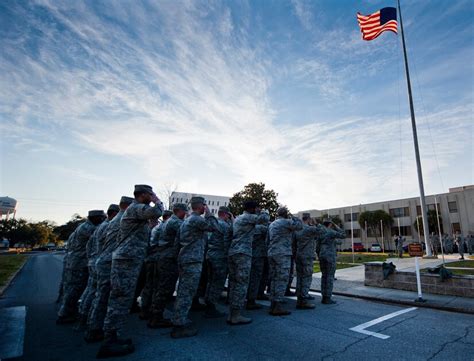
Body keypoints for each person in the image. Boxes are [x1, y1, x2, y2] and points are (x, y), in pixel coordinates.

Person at [97, 185, 163, 358]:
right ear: (142, 195)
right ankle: (109, 340)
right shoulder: (136, 208)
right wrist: (158, 201)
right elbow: (158, 212)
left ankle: (113, 336)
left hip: (128, 259)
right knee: (119, 299)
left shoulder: (135, 210)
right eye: (150, 194)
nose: (152, 196)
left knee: (122, 299)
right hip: (126, 260)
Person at [85, 197, 134, 343]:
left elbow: (90, 246)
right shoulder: (121, 221)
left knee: (99, 295)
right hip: (108, 263)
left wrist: (93, 258)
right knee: (108, 297)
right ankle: (104, 334)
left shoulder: (108, 223)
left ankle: (91, 326)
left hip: (100, 261)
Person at [170, 197, 218, 338]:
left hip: (185, 259)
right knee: (186, 293)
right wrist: (209, 213)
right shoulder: (196, 219)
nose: (205, 208)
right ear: (201, 206)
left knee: (184, 291)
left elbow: (176, 243)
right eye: (205, 206)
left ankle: (178, 320)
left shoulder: (186, 221)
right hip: (192, 261)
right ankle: (179, 326)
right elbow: (214, 227)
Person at [57, 210, 105, 324]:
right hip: (79, 261)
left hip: (75, 260)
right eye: (102, 218)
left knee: (72, 287)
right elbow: (101, 235)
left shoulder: (82, 226)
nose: (103, 219)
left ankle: (67, 310)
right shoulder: (88, 228)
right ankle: (64, 314)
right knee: (75, 288)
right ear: (95, 218)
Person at [76, 205, 119, 330]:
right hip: (102, 263)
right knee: (100, 294)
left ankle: (84, 317)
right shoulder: (108, 226)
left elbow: (88, 246)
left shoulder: (99, 227)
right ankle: (93, 325)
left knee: (91, 291)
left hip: (95, 261)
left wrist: (92, 258)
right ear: (114, 214)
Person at [147, 203, 187, 329]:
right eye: (185, 212)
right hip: (168, 259)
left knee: (161, 287)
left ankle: (154, 314)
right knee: (165, 288)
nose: (185, 214)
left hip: (164, 258)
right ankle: (156, 317)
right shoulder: (175, 222)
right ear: (179, 211)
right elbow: (188, 230)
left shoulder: (169, 221)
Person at [227, 201, 266, 325]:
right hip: (242, 253)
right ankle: (236, 315)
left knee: (234, 283)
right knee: (241, 283)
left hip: (234, 252)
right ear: (253, 208)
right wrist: (262, 211)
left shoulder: (240, 218)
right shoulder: (248, 217)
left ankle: (232, 313)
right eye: (257, 207)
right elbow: (264, 218)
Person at [267, 207, 303, 316]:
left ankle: (273, 304)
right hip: (282, 254)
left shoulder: (272, 224)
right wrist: (294, 217)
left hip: (272, 252)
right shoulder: (286, 222)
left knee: (274, 279)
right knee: (282, 279)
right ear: (285, 214)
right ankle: (277, 306)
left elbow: (267, 240)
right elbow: (299, 226)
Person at [139, 210, 172, 320]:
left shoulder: (156, 227)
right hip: (156, 258)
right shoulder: (163, 227)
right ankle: (152, 310)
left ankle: (145, 309)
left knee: (149, 285)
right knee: (156, 285)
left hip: (150, 259)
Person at [204, 206, 233, 318]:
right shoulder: (224, 225)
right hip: (220, 257)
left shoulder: (213, 223)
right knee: (217, 282)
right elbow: (229, 239)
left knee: (210, 281)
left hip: (210, 254)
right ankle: (211, 307)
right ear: (226, 214)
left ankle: (208, 303)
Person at [294, 213, 322, 309]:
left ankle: (299, 298)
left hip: (299, 255)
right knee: (306, 278)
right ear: (309, 219)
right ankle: (303, 300)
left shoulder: (297, 229)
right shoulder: (309, 229)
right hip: (307, 256)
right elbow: (321, 231)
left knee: (300, 277)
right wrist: (315, 223)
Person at [316, 219, 345, 305]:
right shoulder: (331, 232)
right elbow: (343, 235)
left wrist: (319, 254)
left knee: (324, 276)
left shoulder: (320, 233)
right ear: (330, 224)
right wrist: (336, 226)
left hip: (322, 255)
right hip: (330, 256)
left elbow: (317, 246)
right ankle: (327, 298)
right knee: (329, 276)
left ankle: (323, 296)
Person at [247, 209, 270, 310]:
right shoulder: (262, 228)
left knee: (259, 276)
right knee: (256, 277)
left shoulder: (254, 227)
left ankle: (258, 294)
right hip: (259, 256)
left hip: (255, 254)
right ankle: (251, 300)